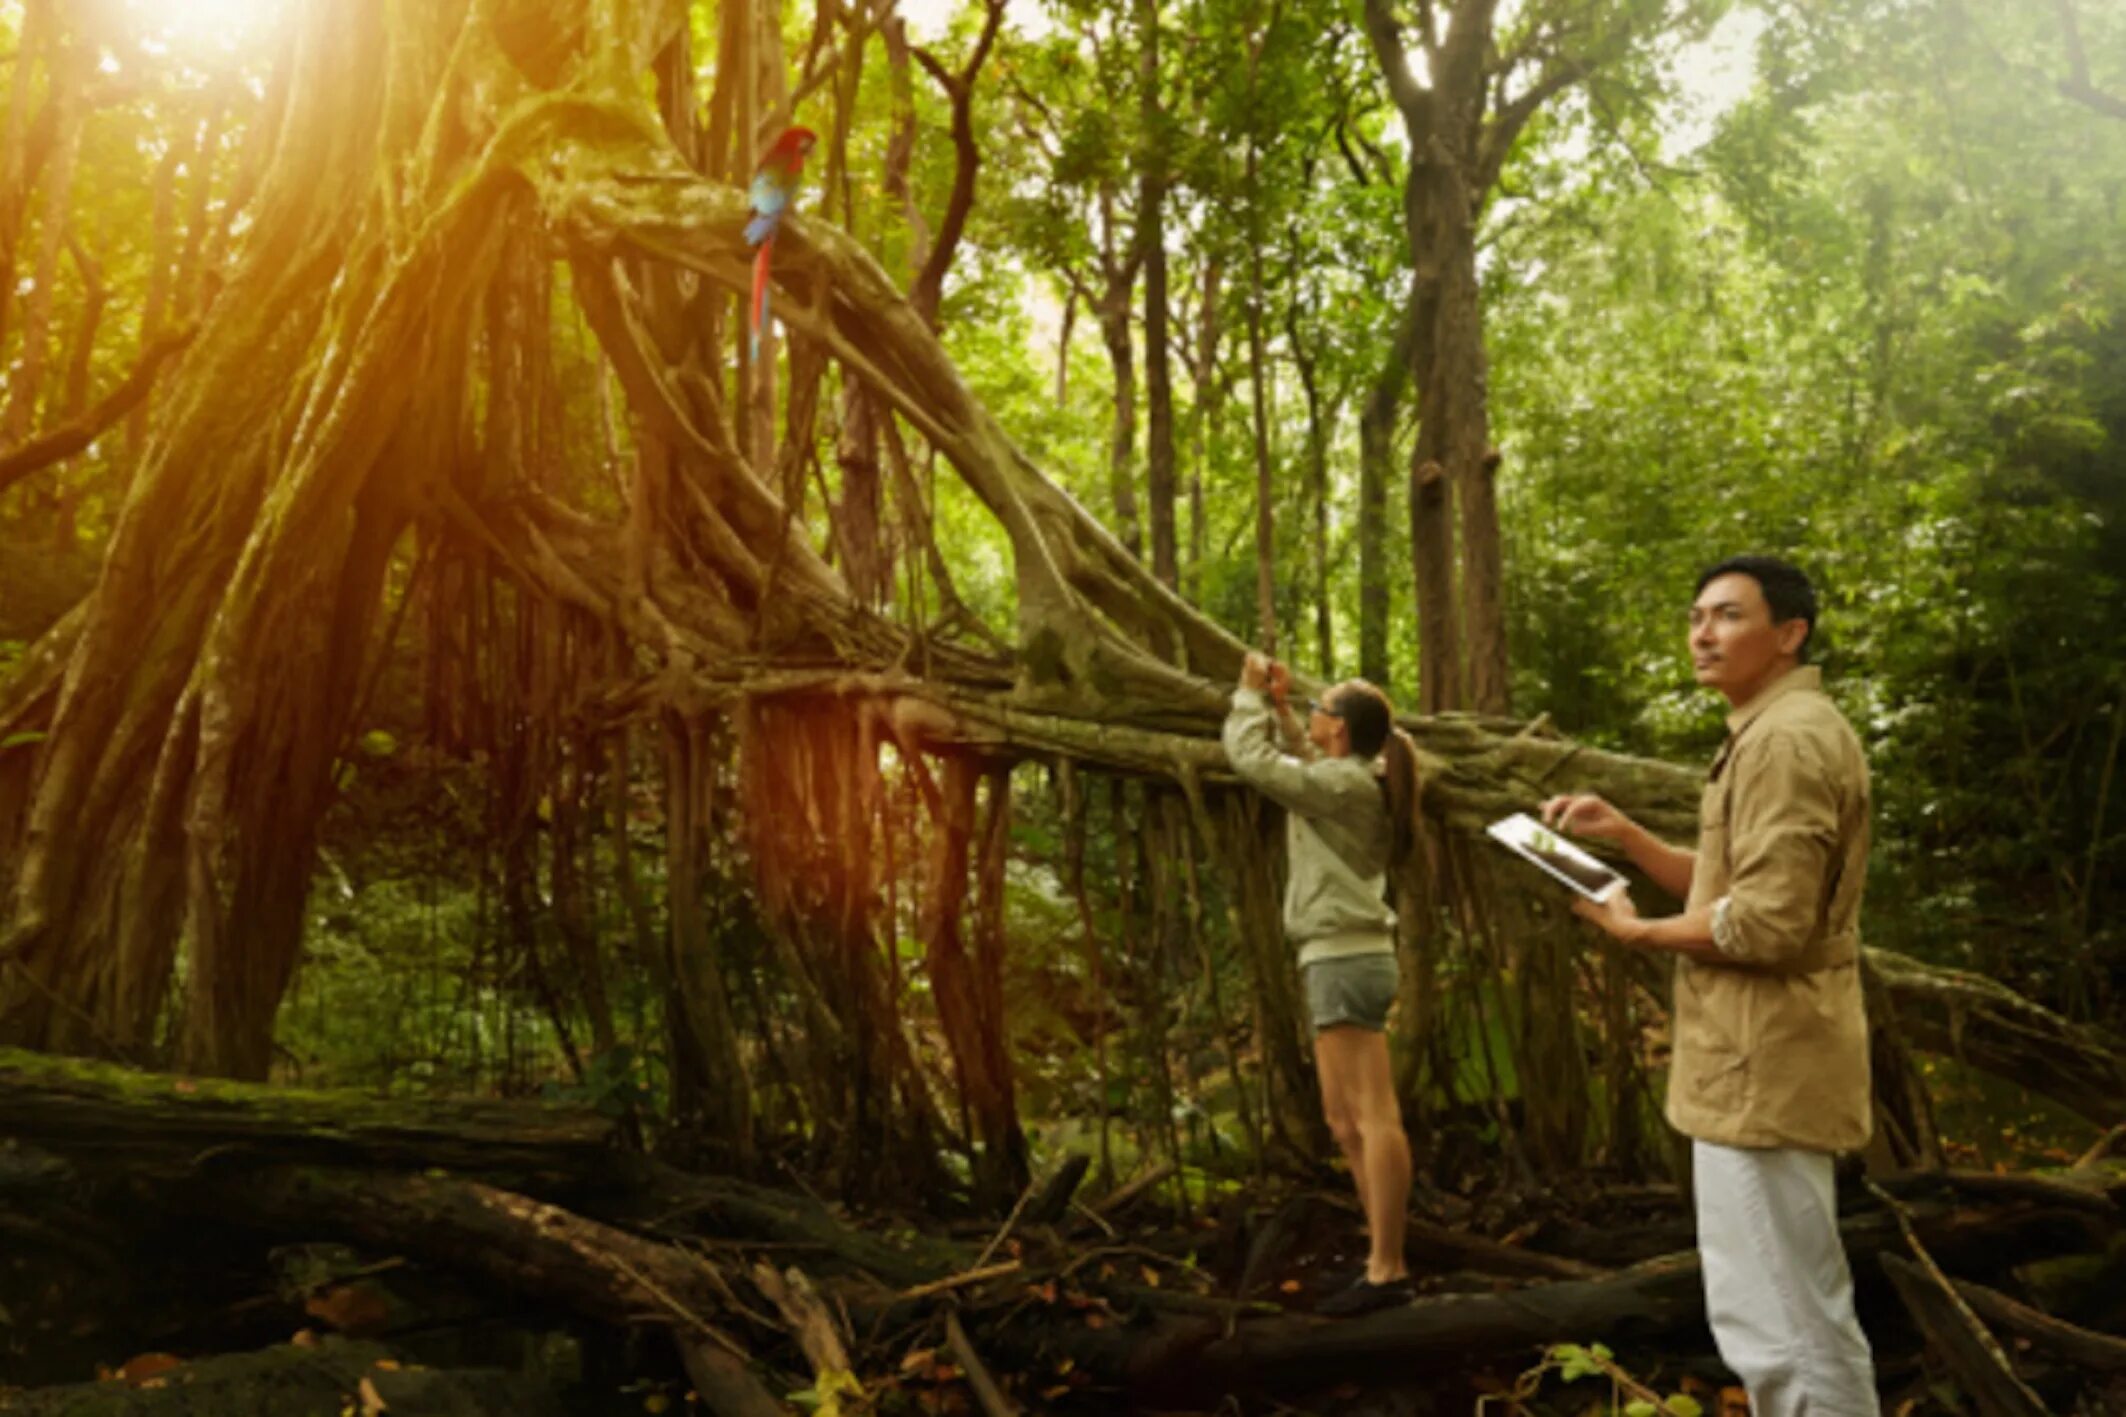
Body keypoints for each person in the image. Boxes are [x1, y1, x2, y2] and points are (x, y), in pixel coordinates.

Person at [1542, 555, 1879, 1416]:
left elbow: (1766, 923)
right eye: (1696, 615)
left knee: (1785, 1322)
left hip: (1763, 1061)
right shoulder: (1773, 727)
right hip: (1754, 1056)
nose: (1702, 632)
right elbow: (1737, 882)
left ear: (1789, 633)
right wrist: (1624, 836)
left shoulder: (1786, 740)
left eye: (1727, 615)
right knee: (1784, 1306)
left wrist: (1634, 930)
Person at [1223, 651, 1424, 1316]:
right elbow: (1298, 773)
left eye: (1318, 707)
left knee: (1374, 1114)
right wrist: (1283, 711)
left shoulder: (1347, 785)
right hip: (1332, 957)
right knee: (1344, 1120)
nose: (1311, 713)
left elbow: (1255, 764)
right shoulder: (1341, 779)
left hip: (1347, 958)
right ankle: (1378, 1256)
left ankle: (1389, 1269)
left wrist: (1249, 697)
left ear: (1337, 729)